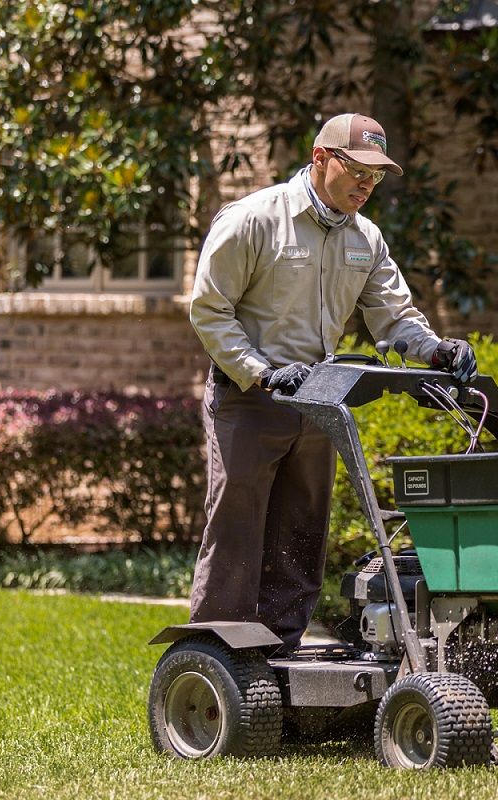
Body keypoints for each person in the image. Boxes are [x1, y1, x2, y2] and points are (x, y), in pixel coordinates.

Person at [187, 112, 477, 650]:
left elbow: (394, 317)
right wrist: (262, 372)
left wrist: (437, 349)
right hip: (252, 397)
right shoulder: (254, 220)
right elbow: (209, 311)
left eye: (377, 176)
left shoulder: (366, 238)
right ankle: (213, 664)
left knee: (302, 533)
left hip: (320, 399)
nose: (367, 185)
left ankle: (280, 655)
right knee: (237, 531)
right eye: (358, 171)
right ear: (321, 159)